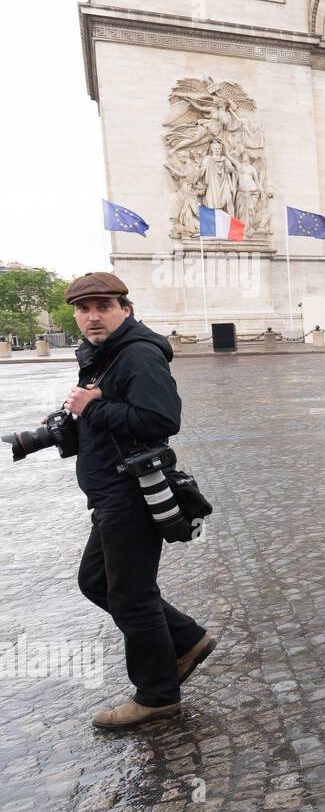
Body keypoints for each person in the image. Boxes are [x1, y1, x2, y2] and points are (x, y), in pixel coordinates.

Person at [58, 273, 215, 729]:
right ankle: (186, 640)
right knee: (96, 582)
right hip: (110, 490)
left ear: (125, 308)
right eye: (83, 309)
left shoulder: (139, 354)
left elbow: (162, 418)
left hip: (132, 492)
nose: (92, 317)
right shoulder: (103, 355)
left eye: (102, 307)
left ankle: (157, 694)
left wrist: (94, 408)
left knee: (131, 596)